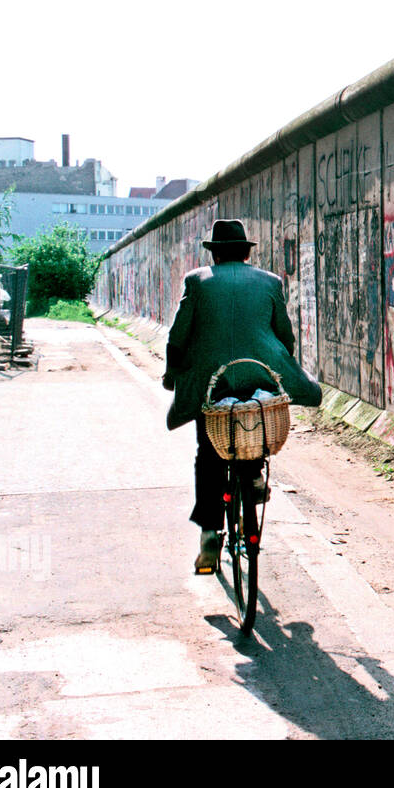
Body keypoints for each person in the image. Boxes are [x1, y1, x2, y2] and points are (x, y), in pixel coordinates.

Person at [162, 219, 322, 572]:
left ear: (215, 255)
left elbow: (178, 337)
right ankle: (252, 475)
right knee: (255, 420)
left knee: (208, 451)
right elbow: (284, 335)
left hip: (211, 382)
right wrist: (282, 366)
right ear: (247, 253)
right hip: (260, 373)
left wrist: (174, 377)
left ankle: (208, 535)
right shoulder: (270, 282)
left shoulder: (197, 281)